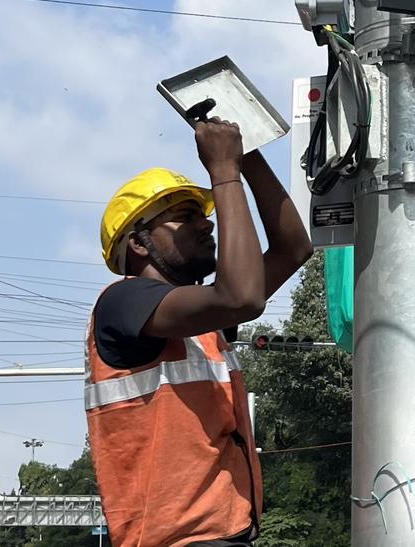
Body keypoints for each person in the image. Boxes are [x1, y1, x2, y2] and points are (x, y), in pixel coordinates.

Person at [85, 117, 313, 546]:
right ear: (139, 243)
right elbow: (241, 296)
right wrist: (223, 171)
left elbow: (293, 249)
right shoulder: (122, 303)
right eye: (185, 217)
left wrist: (243, 156)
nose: (206, 224)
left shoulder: (198, 325)